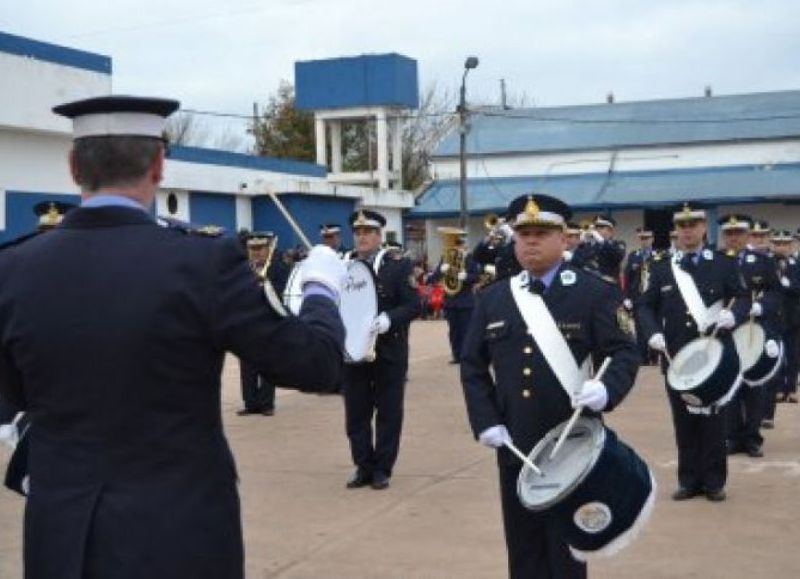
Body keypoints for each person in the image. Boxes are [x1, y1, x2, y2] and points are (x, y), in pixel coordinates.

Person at [0, 95, 347, 579]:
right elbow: (315, 364)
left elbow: (13, 395)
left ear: (74, 167)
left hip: (64, 539)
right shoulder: (203, 262)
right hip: (180, 537)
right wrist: (321, 289)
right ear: (159, 166)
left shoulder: (13, 269)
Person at [461, 193, 640, 579]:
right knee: (523, 547)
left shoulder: (595, 292)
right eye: (523, 234)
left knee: (566, 550)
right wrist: (486, 420)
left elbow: (625, 351)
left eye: (541, 234)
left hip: (572, 441)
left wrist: (607, 390)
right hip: (515, 442)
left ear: (563, 238)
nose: (531, 242)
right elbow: (473, 365)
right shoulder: (494, 298)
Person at [638, 203, 748, 503]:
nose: (687, 231)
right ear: (676, 230)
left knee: (714, 420)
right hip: (676, 355)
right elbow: (644, 305)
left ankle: (714, 482)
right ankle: (689, 480)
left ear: (703, 229)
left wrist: (734, 315)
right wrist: (652, 333)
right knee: (683, 420)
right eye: (682, 226)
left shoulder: (724, 262)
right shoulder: (661, 266)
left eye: (693, 225)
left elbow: (743, 297)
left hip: (715, 355)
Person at [343, 210, 418, 491]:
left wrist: (389, 319)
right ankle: (363, 465)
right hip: (353, 352)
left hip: (389, 350)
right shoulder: (345, 266)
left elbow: (414, 305)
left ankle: (382, 468)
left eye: (367, 232)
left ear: (378, 236)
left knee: (388, 412)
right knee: (356, 412)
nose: (361, 238)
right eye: (358, 233)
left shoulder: (397, 265)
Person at [718, 216, 780, 457]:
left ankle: (752, 437)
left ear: (747, 235)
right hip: (726, 330)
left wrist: (762, 307)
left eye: (738, 233)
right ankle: (732, 436)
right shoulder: (717, 261)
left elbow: (775, 292)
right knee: (730, 384)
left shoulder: (763, 261)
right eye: (729, 233)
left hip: (755, 329)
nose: (733, 237)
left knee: (755, 384)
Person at [237, 232, 280, 417]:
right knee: (247, 366)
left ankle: (266, 403)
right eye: (252, 249)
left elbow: (282, 293)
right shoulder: (241, 270)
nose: (255, 252)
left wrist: (266, 285)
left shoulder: (276, 268)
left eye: (259, 248)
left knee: (268, 365)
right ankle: (250, 403)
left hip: (268, 322)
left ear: (268, 249)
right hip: (247, 323)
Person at [426, 229, 481, 363]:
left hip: (465, 301)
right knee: (453, 331)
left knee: (466, 330)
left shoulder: (469, 258)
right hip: (450, 301)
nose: (454, 248)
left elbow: (477, 276)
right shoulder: (445, 258)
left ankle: (467, 355)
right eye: (452, 244)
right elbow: (432, 279)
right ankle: (456, 355)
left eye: (456, 245)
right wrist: (441, 270)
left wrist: (466, 276)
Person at [772, 229, 800, 404]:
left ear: (790, 245)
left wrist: (788, 286)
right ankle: (779, 388)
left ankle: (791, 388)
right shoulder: (768, 263)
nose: (781, 247)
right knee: (776, 353)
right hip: (774, 315)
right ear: (773, 245)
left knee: (793, 353)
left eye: (785, 244)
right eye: (778, 244)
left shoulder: (797, 264)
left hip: (793, 316)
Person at [624, 227, 656, 364]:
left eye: (647, 238)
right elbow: (627, 278)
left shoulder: (658, 255)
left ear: (652, 239)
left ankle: (654, 355)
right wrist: (626, 297)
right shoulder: (633, 256)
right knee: (640, 327)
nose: (644, 241)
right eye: (642, 238)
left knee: (654, 326)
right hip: (637, 297)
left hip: (653, 297)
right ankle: (643, 357)